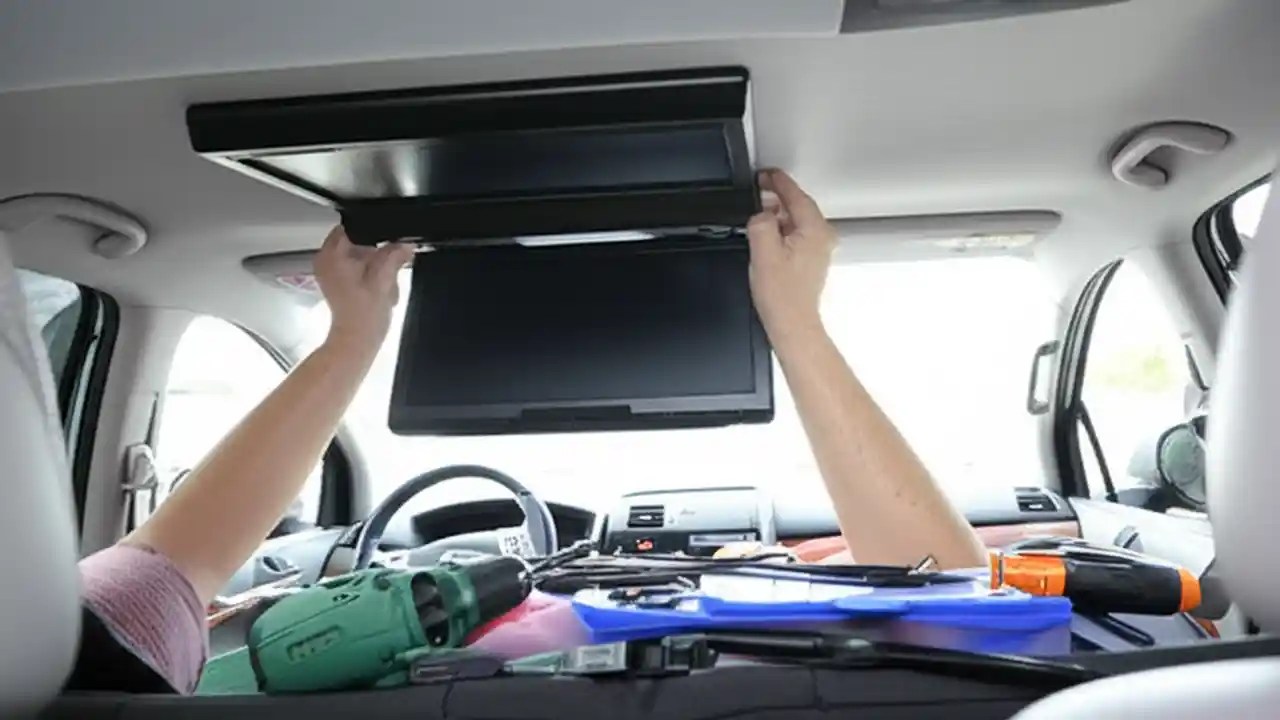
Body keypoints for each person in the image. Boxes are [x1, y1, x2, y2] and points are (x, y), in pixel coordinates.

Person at [70, 169, 983, 694]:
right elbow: (966, 620)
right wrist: (794, 321)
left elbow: (172, 567)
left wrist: (355, 339)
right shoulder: (86, 637)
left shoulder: (78, 655)